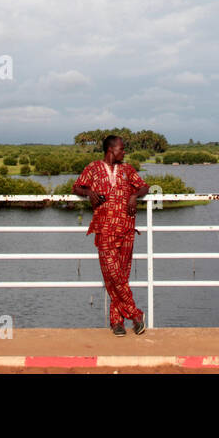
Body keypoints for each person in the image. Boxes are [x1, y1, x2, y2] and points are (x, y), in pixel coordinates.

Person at [72, 134, 150, 335]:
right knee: (113, 276)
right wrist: (89, 193)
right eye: (121, 149)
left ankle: (116, 323)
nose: (124, 153)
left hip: (126, 230)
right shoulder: (93, 169)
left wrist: (134, 195)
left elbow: (144, 186)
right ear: (111, 150)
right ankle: (135, 314)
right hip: (105, 230)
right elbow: (77, 186)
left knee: (122, 276)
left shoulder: (127, 169)